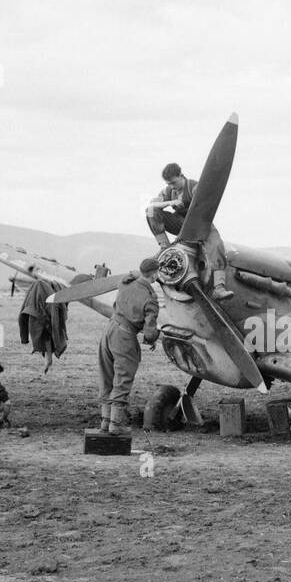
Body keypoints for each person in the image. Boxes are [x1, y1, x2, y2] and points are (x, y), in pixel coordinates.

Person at [145, 162, 233, 300]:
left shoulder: (195, 187)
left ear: (181, 175)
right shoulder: (169, 191)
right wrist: (170, 203)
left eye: (174, 182)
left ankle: (219, 287)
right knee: (151, 211)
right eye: (169, 183)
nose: (172, 186)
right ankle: (165, 247)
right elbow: (151, 205)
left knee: (216, 245)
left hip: (201, 223)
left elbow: (204, 206)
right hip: (181, 224)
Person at [98, 257, 161, 435]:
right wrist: (154, 338)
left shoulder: (125, 283)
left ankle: (105, 421)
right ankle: (116, 424)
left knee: (107, 377)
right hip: (124, 336)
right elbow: (149, 333)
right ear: (155, 274)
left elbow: (130, 275)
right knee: (123, 379)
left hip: (109, 329)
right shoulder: (150, 300)